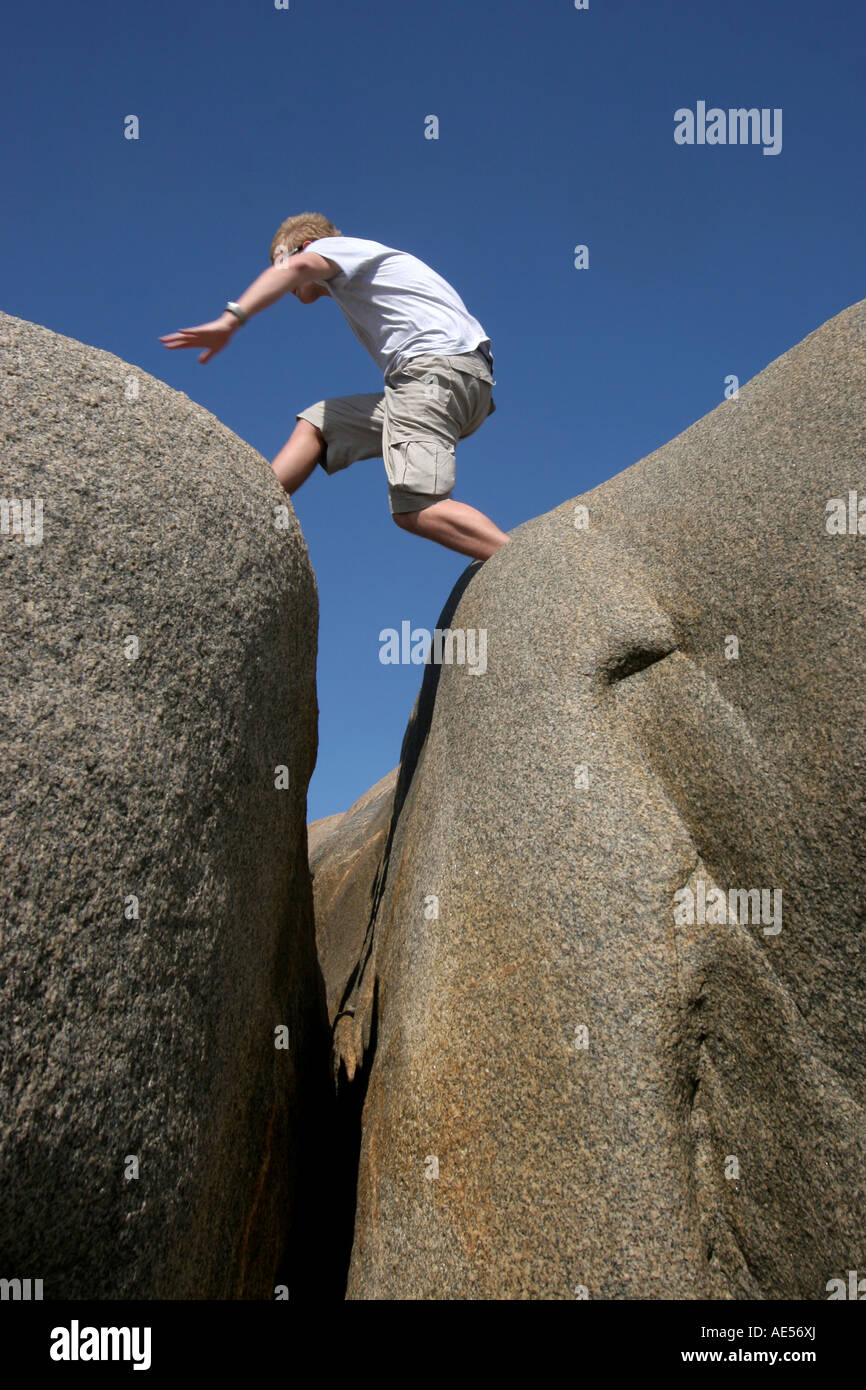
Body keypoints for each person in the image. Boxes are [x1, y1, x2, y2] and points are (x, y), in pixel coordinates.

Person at [160, 213, 510, 560]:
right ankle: (249, 509)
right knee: (319, 424)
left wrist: (230, 319)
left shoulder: (335, 249)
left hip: (433, 373)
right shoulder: (363, 273)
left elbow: (296, 270)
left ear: (301, 248)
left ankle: (532, 566)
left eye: (279, 261)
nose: (284, 282)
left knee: (418, 507)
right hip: (458, 381)